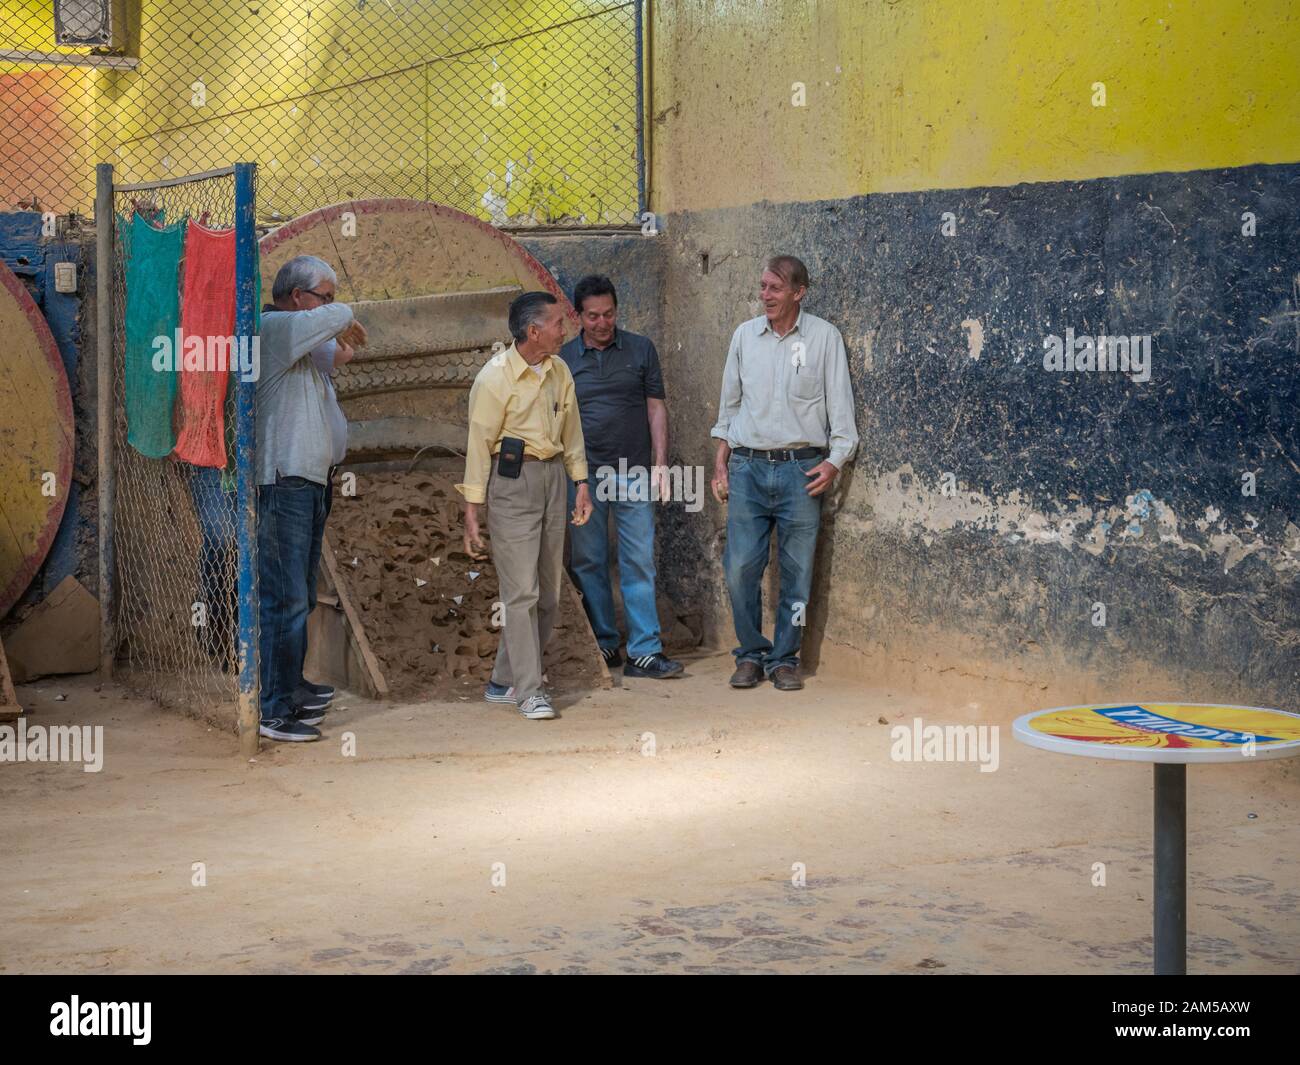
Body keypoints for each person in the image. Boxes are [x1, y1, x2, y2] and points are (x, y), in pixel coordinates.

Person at [710, 255, 859, 691]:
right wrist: (721, 460)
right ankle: (751, 655)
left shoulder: (824, 338)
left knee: (798, 576)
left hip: (802, 472)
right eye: (762, 287)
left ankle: (785, 659)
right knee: (739, 568)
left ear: (799, 292)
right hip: (748, 468)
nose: (765, 296)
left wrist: (833, 463)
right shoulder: (744, 337)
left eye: (775, 289)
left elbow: (842, 418)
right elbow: (728, 410)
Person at [458, 291, 593, 720]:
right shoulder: (493, 378)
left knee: (549, 595)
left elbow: (572, 432)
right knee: (520, 593)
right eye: (557, 323)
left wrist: (582, 483)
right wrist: (472, 510)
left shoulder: (560, 372)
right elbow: (478, 446)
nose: (564, 330)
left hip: (553, 480)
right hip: (512, 483)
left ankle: (500, 681)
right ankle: (529, 690)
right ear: (533, 331)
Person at [256, 255, 359, 741]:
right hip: (286, 482)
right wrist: (342, 314)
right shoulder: (274, 329)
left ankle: (290, 689)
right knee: (286, 599)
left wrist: (335, 326)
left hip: (308, 481)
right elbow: (339, 323)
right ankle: (273, 710)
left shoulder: (296, 340)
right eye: (324, 295)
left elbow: (340, 352)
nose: (332, 307)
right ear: (298, 299)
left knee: (296, 597)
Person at [559, 275, 682, 679]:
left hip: (634, 472)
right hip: (584, 475)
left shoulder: (641, 349)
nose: (602, 322)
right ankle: (605, 644)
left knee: (638, 560)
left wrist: (661, 465)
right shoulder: (563, 360)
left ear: (617, 311)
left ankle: (644, 650)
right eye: (593, 316)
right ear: (578, 316)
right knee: (589, 560)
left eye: (609, 314)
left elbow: (656, 409)